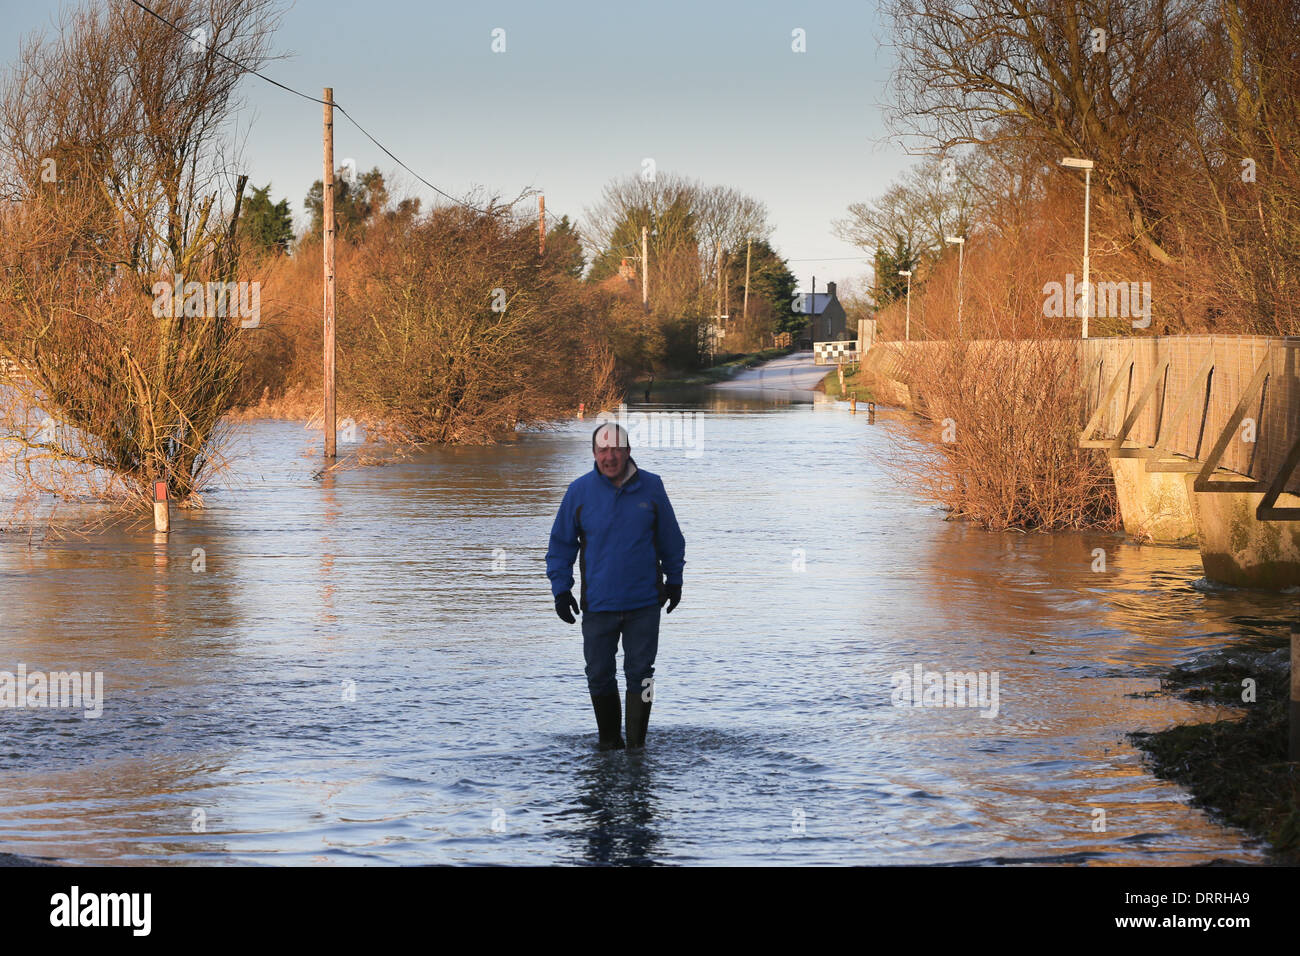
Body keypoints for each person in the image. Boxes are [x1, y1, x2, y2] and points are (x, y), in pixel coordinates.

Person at [546, 422, 685, 751]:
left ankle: (637, 746)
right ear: (594, 453)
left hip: (645, 604)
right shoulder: (579, 492)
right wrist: (561, 591)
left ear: (628, 451)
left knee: (643, 674)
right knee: (598, 674)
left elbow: (672, 540)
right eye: (603, 450)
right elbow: (560, 547)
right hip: (598, 605)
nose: (610, 456)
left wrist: (675, 580)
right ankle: (609, 743)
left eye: (616, 449)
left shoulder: (652, 487)